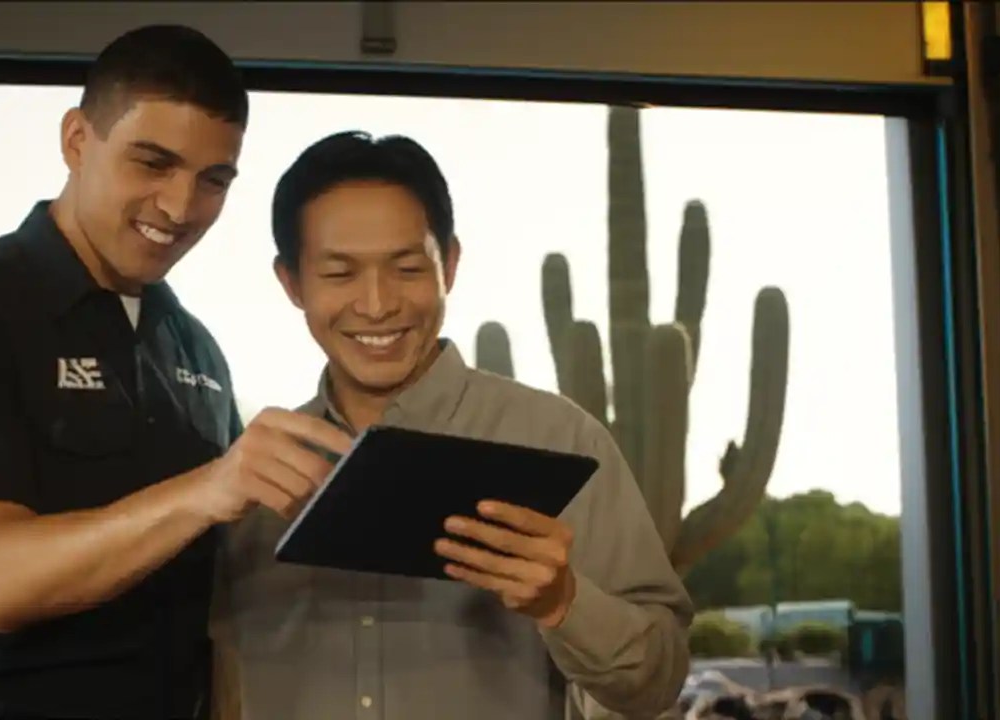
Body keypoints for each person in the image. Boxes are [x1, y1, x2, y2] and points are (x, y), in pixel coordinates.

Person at [0, 25, 351, 720]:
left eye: (213, 180)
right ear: (76, 140)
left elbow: (222, 586)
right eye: (153, 163)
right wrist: (211, 487)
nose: (180, 207)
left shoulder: (196, 349)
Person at [210, 131, 695, 720]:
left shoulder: (560, 439)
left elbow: (658, 681)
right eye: (339, 274)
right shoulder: (247, 480)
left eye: (407, 267)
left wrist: (564, 602)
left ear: (451, 264)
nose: (377, 304)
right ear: (291, 282)